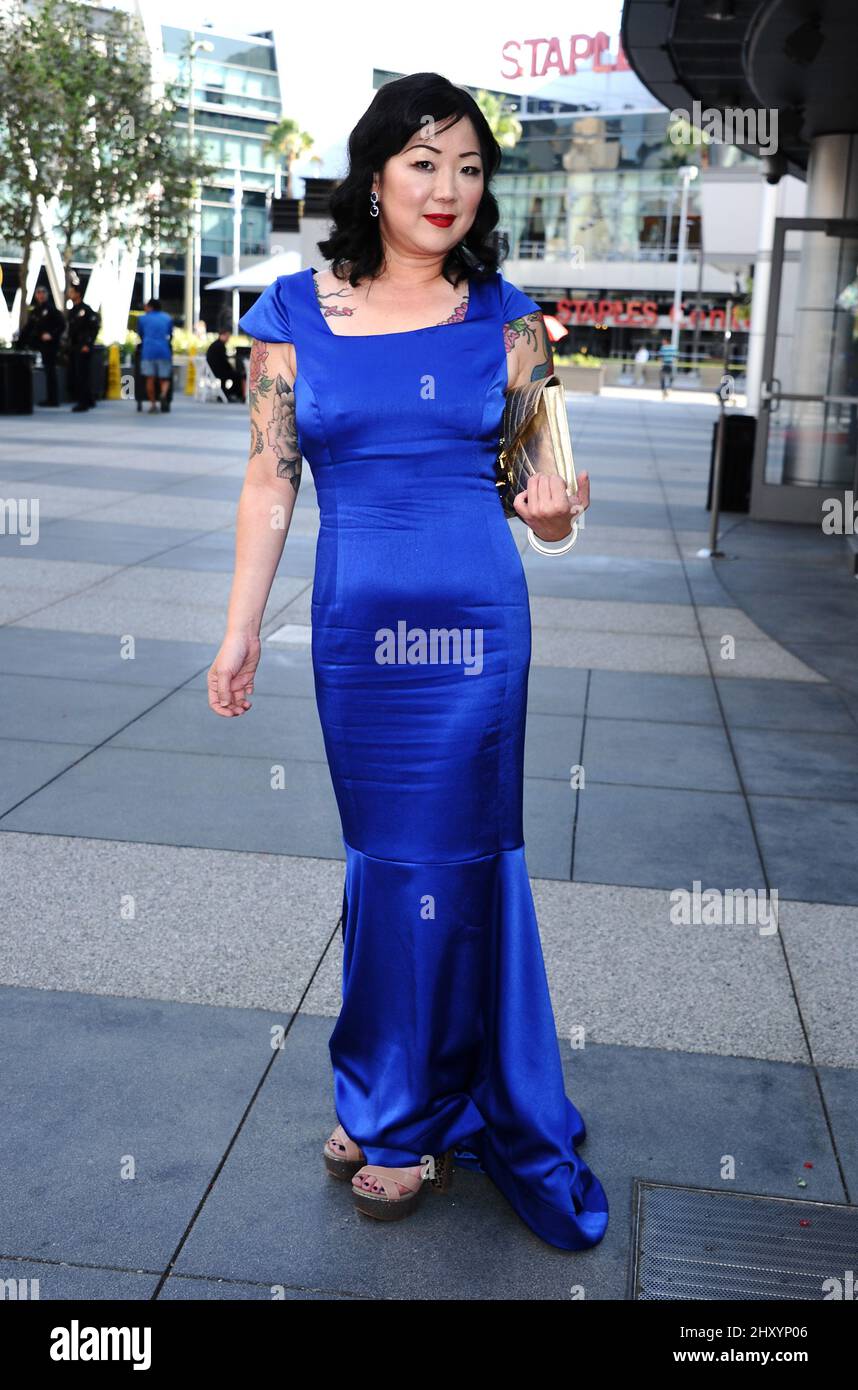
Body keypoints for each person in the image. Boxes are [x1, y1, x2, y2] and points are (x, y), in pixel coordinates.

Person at [207, 73, 604, 1253]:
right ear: (374, 174)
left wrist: (553, 515)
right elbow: (270, 482)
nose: (449, 189)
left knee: (446, 854)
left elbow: (550, 498)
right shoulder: (291, 314)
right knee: (385, 860)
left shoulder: (511, 318)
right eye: (425, 162)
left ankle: (402, 1115)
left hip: (477, 631)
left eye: (470, 167)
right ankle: (388, 1075)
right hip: (356, 633)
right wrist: (240, 627)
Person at [19, 285, 65, 406]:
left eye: (43, 293)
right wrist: (20, 341)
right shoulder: (36, 310)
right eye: (38, 293)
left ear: (47, 295)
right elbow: (29, 327)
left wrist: (52, 335)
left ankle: (53, 399)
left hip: (51, 345)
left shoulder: (51, 309)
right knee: (47, 370)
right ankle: (49, 398)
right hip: (40, 345)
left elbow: (62, 325)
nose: (40, 295)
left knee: (51, 371)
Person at [66, 283, 101, 413]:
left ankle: (83, 402)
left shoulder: (86, 310)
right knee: (79, 374)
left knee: (82, 375)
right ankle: (88, 399)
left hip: (83, 347)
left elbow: (94, 327)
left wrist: (88, 344)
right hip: (74, 346)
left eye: (72, 292)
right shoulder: (73, 310)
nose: (70, 294)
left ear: (78, 293)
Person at [137, 298, 174, 413]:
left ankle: (153, 404)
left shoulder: (142, 319)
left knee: (150, 378)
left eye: (146, 306)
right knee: (165, 377)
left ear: (150, 307)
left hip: (148, 351)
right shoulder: (167, 318)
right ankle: (163, 394)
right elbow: (170, 334)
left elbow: (141, 334)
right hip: (164, 350)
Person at [205, 328, 246, 402]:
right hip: (218, 372)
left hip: (213, 371)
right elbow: (223, 361)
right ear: (222, 335)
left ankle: (227, 393)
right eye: (227, 336)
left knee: (235, 375)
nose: (228, 338)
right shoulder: (220, 346)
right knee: (238, 376)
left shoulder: (216, 344)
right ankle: (231, 394)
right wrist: (232, 369)